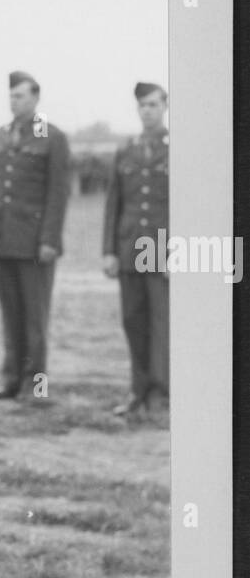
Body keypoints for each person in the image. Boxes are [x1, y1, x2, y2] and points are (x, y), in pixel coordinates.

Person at [0, 72, 71, 402]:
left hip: (34, 245)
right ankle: (12, 380)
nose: (15, 102)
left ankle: (37, 387)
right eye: (12, 96)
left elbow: (58, 194)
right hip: (1, 241)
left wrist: (50, 241)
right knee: (10, 315)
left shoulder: (51, 137)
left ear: (36, 99)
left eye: (22, 96)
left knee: (35, 320)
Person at [102, 82, 170, 419]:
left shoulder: (178, 148)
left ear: (165, 107)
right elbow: (114, 203)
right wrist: (109, 251)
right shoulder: (126, 149)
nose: (148, 111)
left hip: (161, 251)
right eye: (143, 105)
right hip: (129, 250)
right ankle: (137, 390)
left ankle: (159, 393)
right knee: (133, 321)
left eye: (154, 104)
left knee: (160, 323)